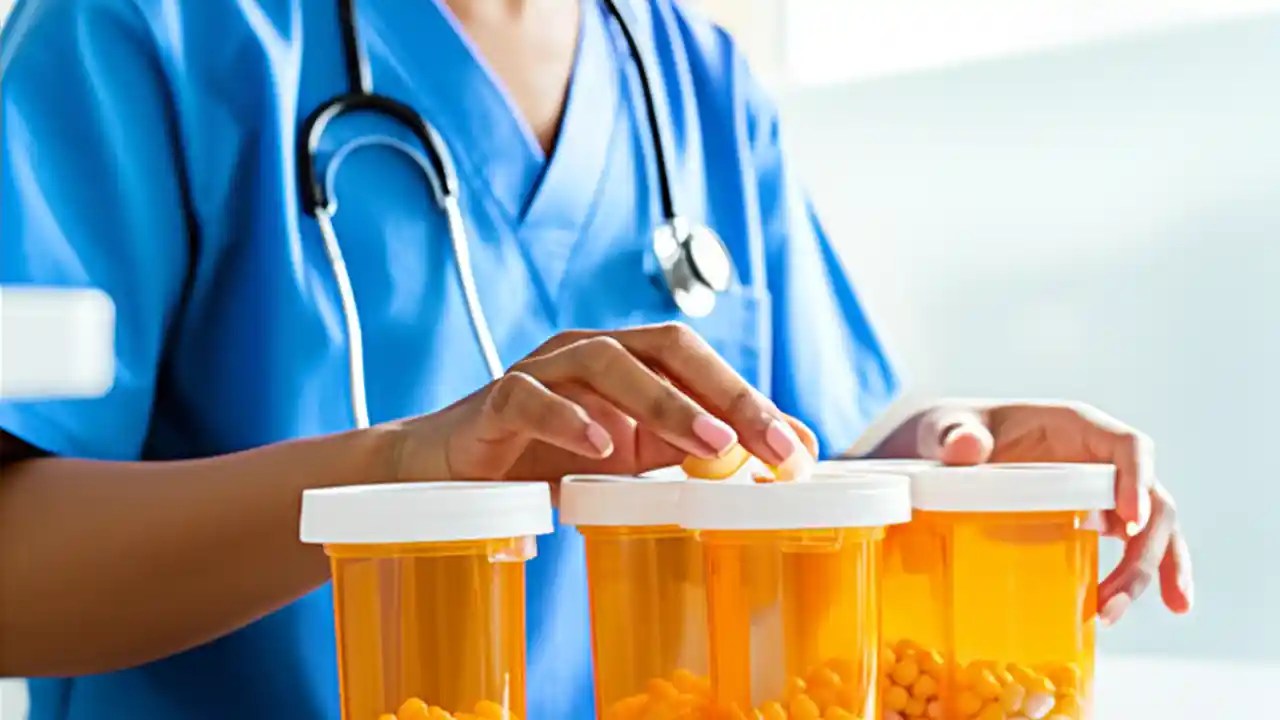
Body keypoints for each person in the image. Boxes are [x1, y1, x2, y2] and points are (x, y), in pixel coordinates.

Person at [0, 0, 1191, 718]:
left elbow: (791, 467)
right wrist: (401, 479)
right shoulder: (148, 32)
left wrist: (936, 463)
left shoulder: (691, 77)